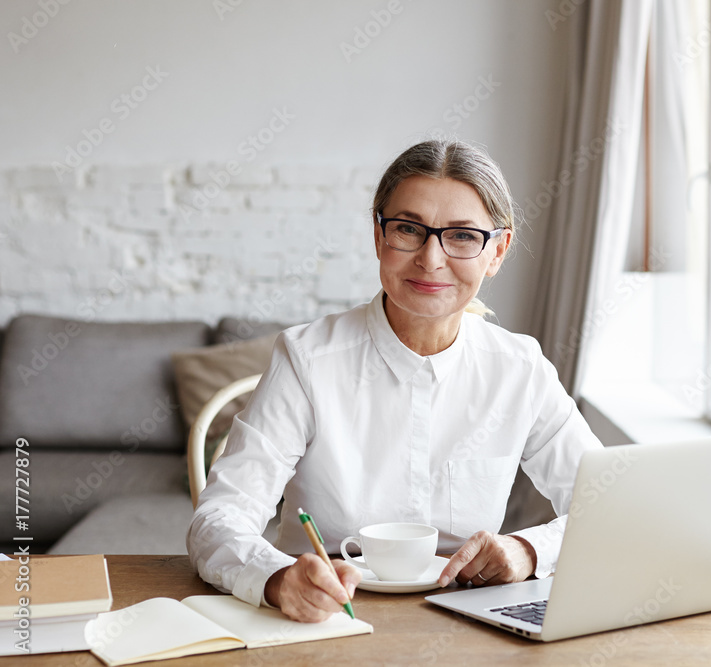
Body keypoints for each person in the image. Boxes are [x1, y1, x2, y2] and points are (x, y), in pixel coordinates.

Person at [187, 140, 603, 623]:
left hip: (466, 624)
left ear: (498, 251)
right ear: (379, 236)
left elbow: (609, 504)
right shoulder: (306, 359)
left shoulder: (520, 368)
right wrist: (278, 580)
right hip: (329, 618)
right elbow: (218, 519)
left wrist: (528, 551)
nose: (431, 259)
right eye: (408, 229)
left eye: (463, 236)